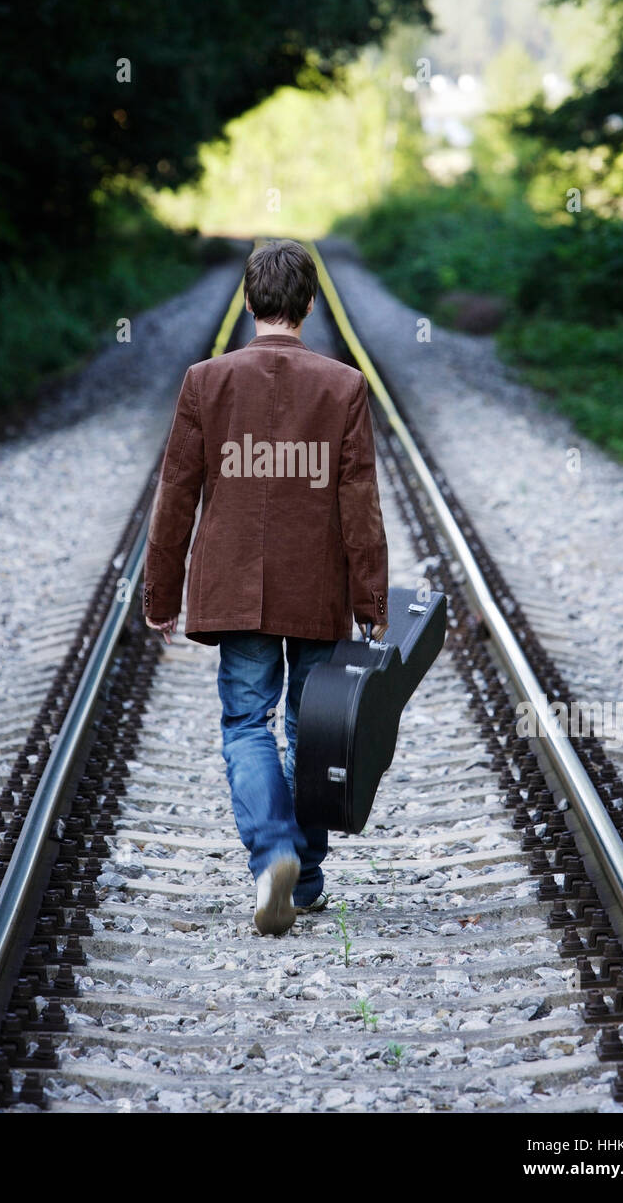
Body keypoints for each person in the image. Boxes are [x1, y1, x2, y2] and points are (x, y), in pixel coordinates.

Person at [143, 239, 388, 935]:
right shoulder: (343, 385)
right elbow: (359, 502)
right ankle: (304, 879)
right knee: (310, 732)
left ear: (249, 303)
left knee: (247, 724)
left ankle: (272, 855)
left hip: (235, 589)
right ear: (309, 306)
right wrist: (372, 603)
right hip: (316, 589)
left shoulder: (204, 381)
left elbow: (176, 495)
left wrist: (162, 595)